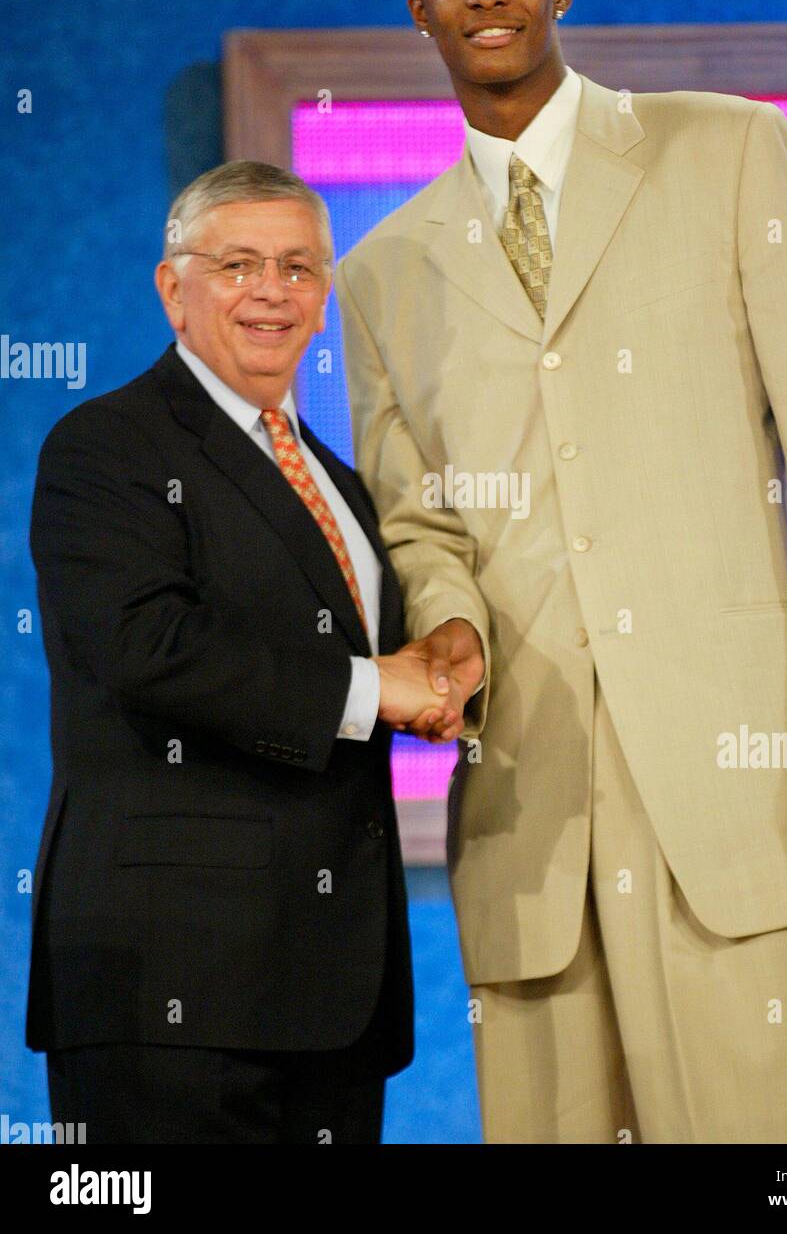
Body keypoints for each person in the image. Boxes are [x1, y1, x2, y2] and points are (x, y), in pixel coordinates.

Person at [335, 0, 787, 1143]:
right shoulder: (383, 269)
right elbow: (416, 522)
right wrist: (448, 625)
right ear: (419, 10)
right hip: (529, 803)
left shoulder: (724, 150)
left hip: (731, 775)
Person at [27, 160, 463, 1144]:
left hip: (333, 994)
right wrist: (373, 689)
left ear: (322, 297)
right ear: (171, 287)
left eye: (297, 267)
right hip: (171, 987)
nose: (272, 290)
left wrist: (442, 673)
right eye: (237, 264)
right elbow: (148, 647)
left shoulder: (339, 481)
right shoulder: (106, 447)